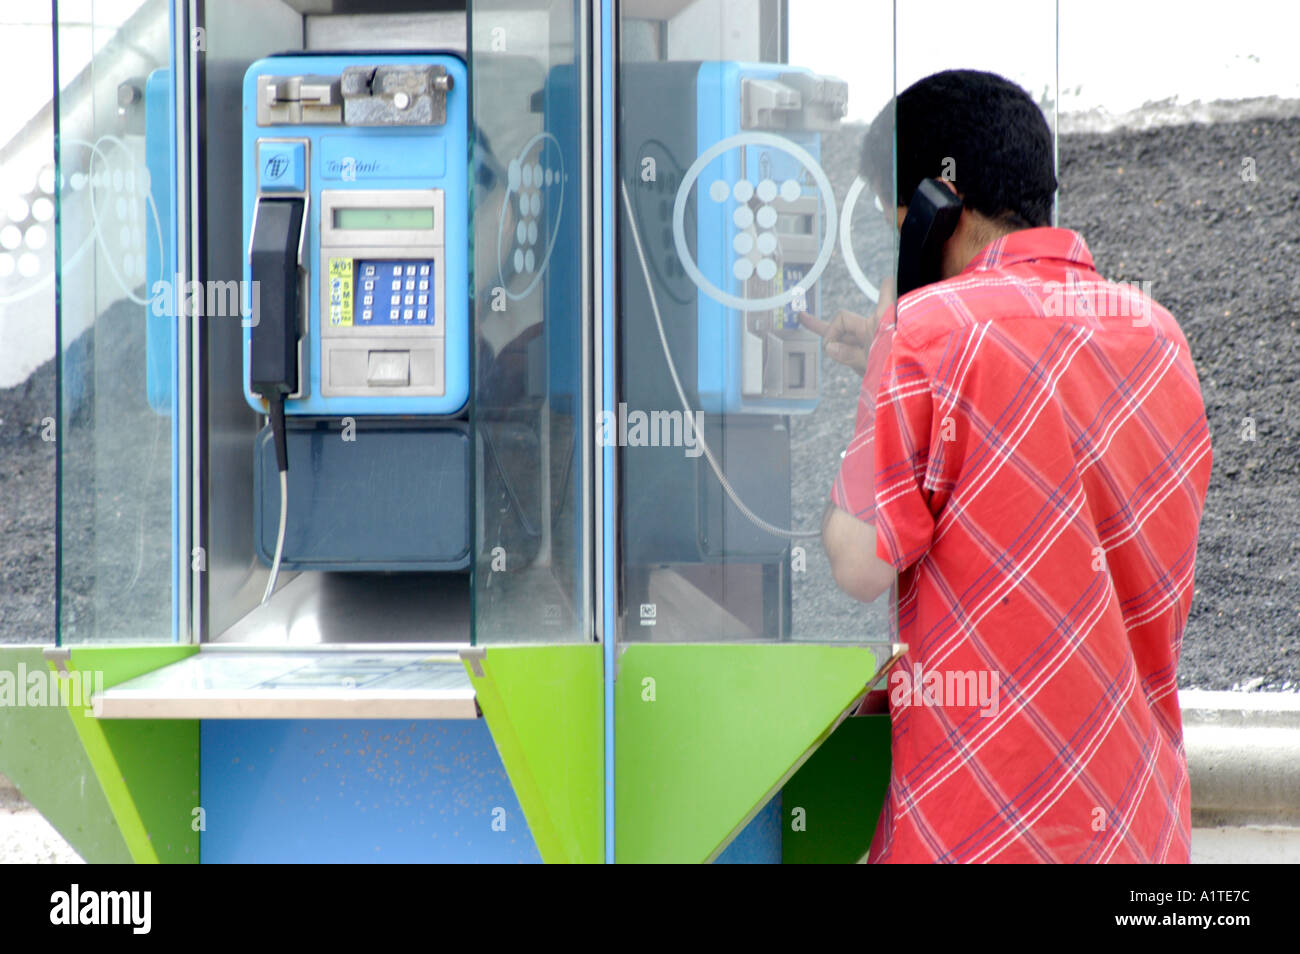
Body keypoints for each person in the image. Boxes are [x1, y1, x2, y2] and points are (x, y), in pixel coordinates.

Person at [805, 69, 1212, 863]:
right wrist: (892, 373)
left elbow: (857, 559)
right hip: (1139, 824)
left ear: (935, 201)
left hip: (978, 828)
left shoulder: (927, 335)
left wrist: (892, 354)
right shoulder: (1160, 336)